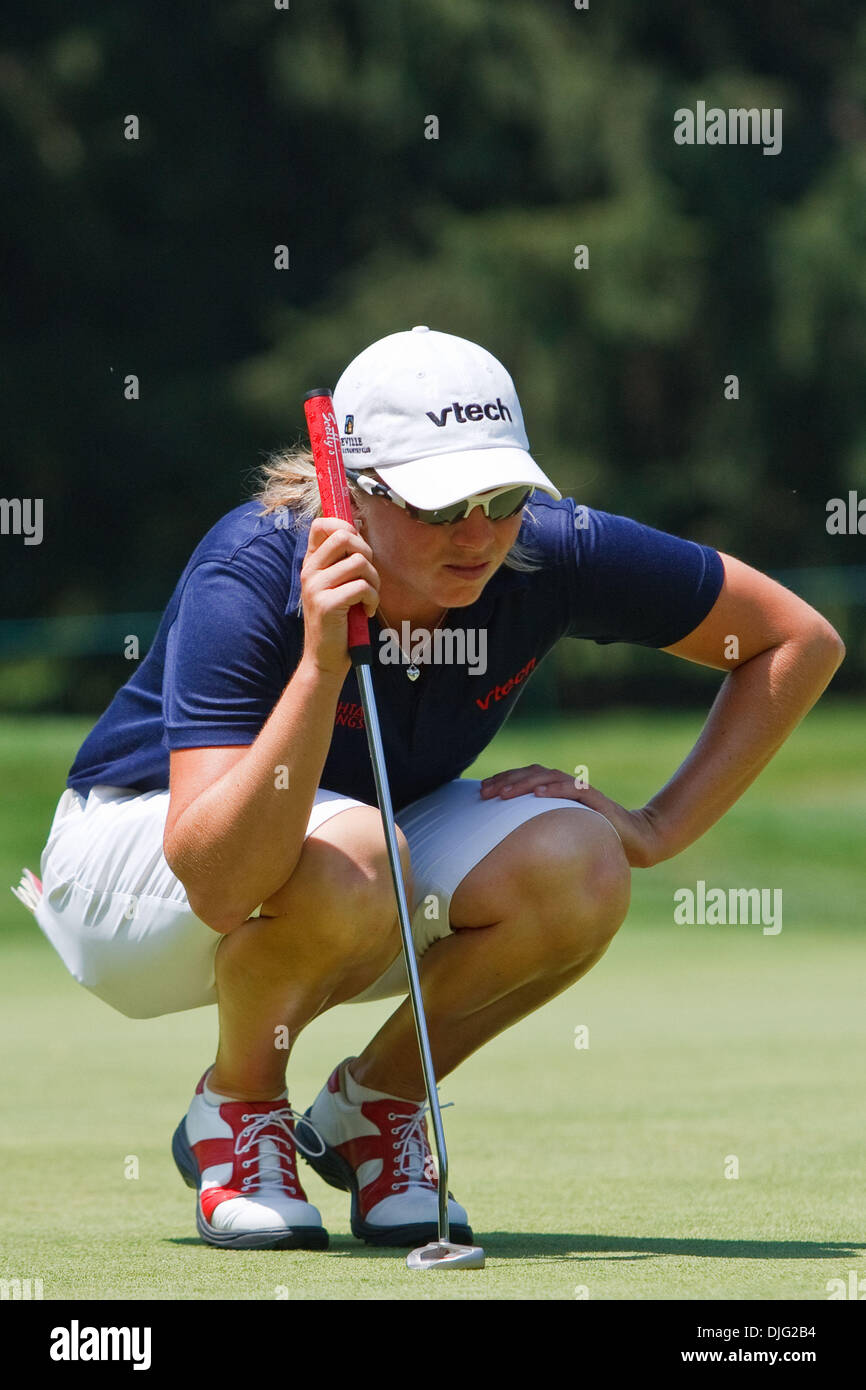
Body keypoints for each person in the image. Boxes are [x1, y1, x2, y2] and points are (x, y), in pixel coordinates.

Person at [13, 326, 844, 1252]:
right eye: (444, 503)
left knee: (582, 861)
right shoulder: (250, 569)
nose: (481, 534)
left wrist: (655, 828)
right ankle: (238, 1111)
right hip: (132, 881)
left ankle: (377, 1105)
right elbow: (215, 880)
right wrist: (321, 664)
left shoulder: (545, 553)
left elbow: (795, 640)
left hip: (365, 858)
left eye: (503, 497)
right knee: (364, 854)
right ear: (357, 495)